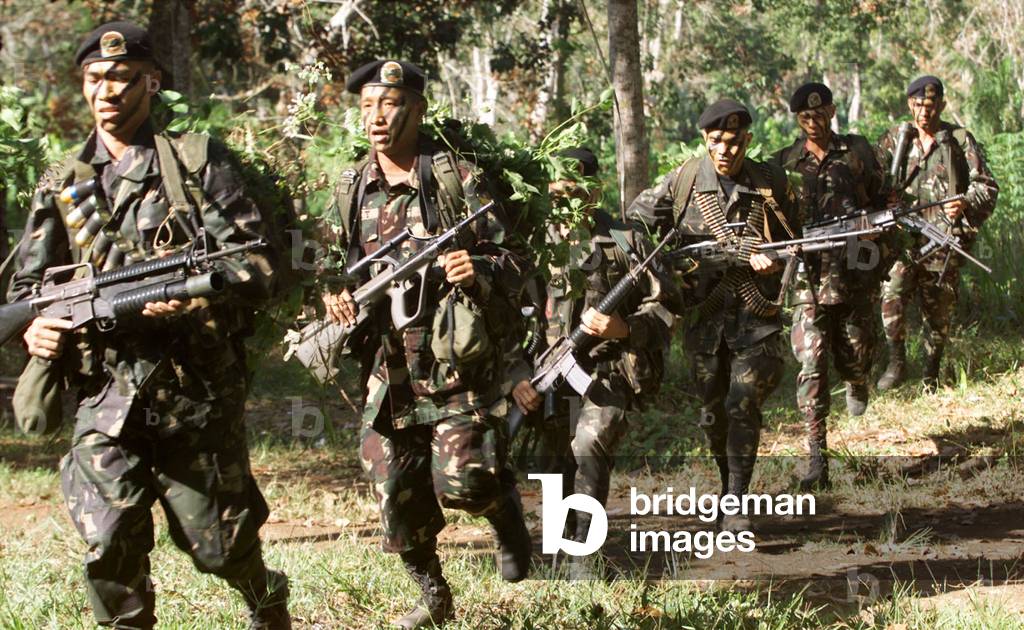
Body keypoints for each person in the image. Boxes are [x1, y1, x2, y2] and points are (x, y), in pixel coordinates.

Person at [7, 22, 290, 629]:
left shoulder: (194, 162)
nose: (106, 91)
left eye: (120, 78)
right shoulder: (61, 181)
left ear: (151, 82)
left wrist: (196, 304)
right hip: (104, 397)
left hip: (192, 392)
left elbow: (259, 263)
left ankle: (268, 605)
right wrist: (36, 331)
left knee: (220, 548)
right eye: (93, 79)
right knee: (110, 542)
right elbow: (27, 290)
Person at [320, 59, 531, 629]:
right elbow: (329, 268)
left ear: (418, 108)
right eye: (366, 107)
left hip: (451, 358)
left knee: (463, 482)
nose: (376, 117)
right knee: (392, 489)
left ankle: (503, 509)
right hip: (386, 368)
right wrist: (334, 295)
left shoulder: (457, 178)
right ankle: (432, 592)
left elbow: (514, 260)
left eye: (388, 104)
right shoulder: (348, 187)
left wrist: (476, 267)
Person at [628, 99, 800, 531]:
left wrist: (776, 258)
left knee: (742, 405)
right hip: (704, 321)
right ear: (705, 140)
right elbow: (630, 226)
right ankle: (729, 488)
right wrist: (668, 273)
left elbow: (801, 239)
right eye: (716, 142)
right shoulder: (683, 181)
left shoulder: (770, 182)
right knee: (713, 416)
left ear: (748, 140)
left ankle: (737, 501)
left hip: (756, 319)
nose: (725, 151)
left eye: (734, 142)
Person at [509, 148, 679, 559]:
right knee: (551, 460)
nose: (566, 202)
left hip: (608, 370)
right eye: (557, 192)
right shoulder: (532, 246)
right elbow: (507, 317)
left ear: (594, 190)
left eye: (575, 191)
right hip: (547, 368)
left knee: (588, 444)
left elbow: (668, 306)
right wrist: (516, 376)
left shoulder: (625, 241)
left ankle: (584, 553)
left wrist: (626, 328)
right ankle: (557, 543)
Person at [769, 83, 888, 490]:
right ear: (797, 120)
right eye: (806, 117)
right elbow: (769, 219)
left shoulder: (857, 153)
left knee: (856, 353)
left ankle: (857, 379)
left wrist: (873, 230)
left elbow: (884, 198)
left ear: (833, 112)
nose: (814, 123)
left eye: (821, 115)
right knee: (811, 362)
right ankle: (817, 458)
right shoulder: (782, 164)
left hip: (853, 275)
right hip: (807, 281)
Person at [876, 76, 998, 391]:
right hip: (902, 240)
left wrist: (966, 202)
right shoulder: (894, 139)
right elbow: (870, 183)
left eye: (930, 106)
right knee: (892, 297)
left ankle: (931, 373)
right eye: (917, 105)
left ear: (941, 105)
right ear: (909, 105)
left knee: (938, 312)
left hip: (943, 240)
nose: (923, 113)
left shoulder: (958, 139)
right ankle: (896, 362)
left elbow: (987, 186)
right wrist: (883, 199)